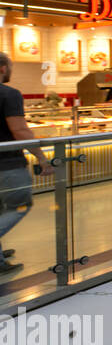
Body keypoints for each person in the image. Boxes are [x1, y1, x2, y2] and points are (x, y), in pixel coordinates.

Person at [0, 53, 46, 276]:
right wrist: (42, 157)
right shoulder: (9, 94)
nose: (11, 71)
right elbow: (20, 130)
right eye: (10, 67)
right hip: (7, 164)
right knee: (20, 205)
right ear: (2, 69)